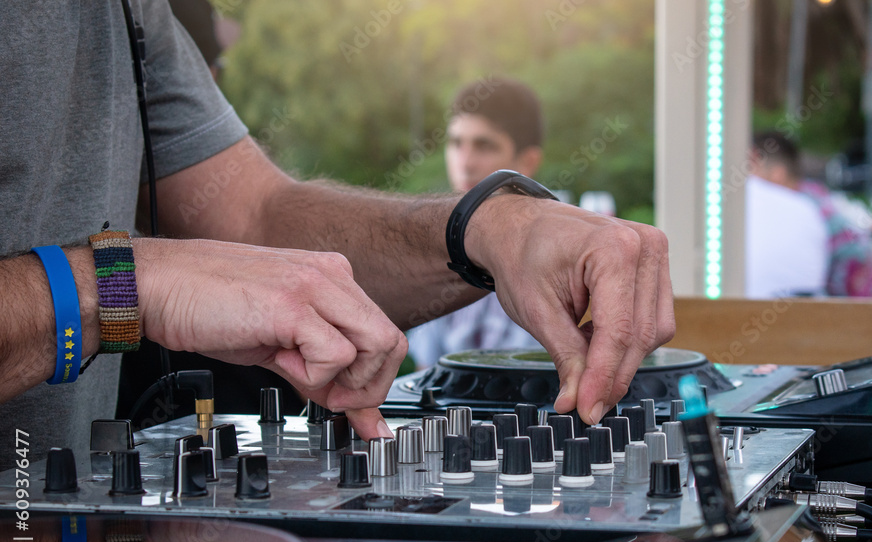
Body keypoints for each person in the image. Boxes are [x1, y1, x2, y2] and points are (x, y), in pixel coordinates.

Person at [0, 3, 674, 472]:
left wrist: (484, 226)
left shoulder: (131, 12)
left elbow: (258, 217)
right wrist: (121, 285)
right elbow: (161, 271)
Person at [407, 78, 545, 369]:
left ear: (527, 162)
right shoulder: (435, 250)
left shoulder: (555, 253)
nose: (465, 162)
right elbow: (429, 377)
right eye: (456, 143)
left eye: (484, 145)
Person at [750, 132, 872, 297]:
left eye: (750, 169)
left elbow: (858, 260)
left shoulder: (814, 209)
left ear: (778, 173)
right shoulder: (814, 202)